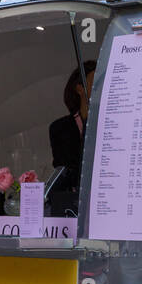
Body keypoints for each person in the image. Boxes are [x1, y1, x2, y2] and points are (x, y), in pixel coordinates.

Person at [48, 60, 97, 212]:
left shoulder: (113, 126)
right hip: (70, 206)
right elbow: (63, 168)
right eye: (96, 80)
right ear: (79, 88)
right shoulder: (60, 127)